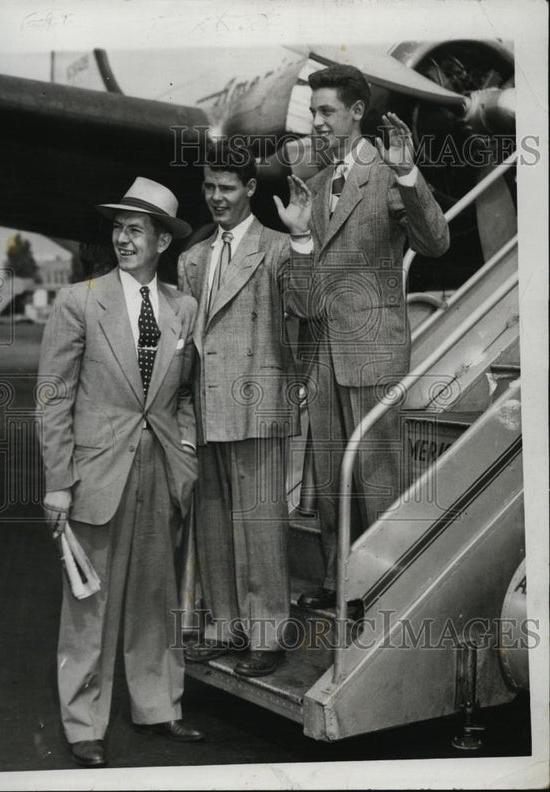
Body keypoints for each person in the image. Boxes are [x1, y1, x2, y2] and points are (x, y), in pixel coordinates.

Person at [37, 177, 203, 768]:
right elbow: (53, 398)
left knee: (156, 596)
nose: (123, 239)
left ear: (162, 240)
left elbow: (183, 393)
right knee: (91, 604)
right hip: (94, 475)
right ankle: (84, 722)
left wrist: (184, 449)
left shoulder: (182, 308)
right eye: (118, 228)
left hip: (161, 467)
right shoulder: (80, 302)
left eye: (136, 229)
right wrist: (59, 481)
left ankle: (159, 706)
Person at [274, 64, 450, 610]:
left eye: (327, 111)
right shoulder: (318, 185)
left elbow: (437, 241)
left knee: (377, 474)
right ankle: (336, 580)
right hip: (322, 353)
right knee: (330, 477)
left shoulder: (386, 172)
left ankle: (383, 586)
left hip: (373, 350)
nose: (317, 122)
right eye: (312, 112)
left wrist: (408, 176)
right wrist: (301, 240)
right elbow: (303, 297)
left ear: (357, 112)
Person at [178, 142, 302, 677]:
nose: (216, 198)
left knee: (262, 527)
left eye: (227, 188)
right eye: (209, 187)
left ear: (250, 189)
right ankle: (225, 627)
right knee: (213, 525)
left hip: (258, 404)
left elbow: (307, 305)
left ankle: (268, 634)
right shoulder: (192, 259)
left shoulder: (278, 248)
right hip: (207, 409)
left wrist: (302, 236)